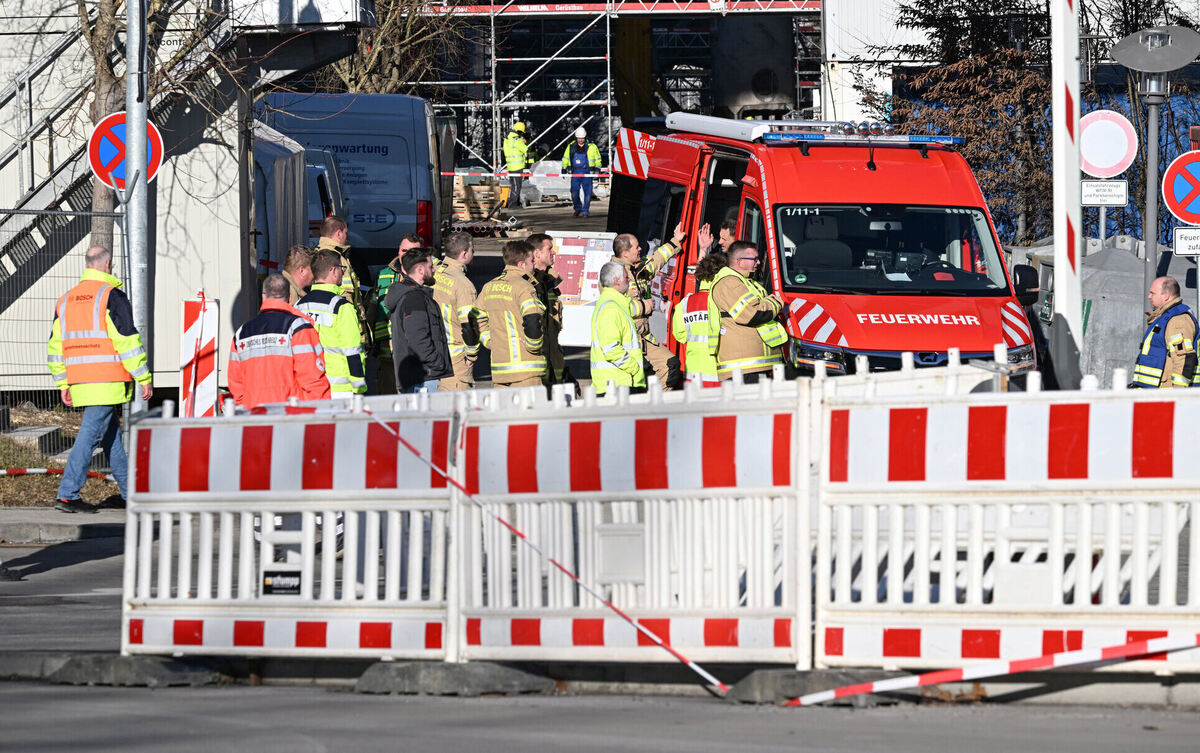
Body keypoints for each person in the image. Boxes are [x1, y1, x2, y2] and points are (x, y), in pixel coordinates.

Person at [47, 245, 153, 513]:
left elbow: (55, 346)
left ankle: (132, 495)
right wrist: (143, 376)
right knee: (88, 436)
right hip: (107, 381)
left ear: (87, 264)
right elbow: (127, 340)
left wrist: (63, 383)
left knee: (110, 439)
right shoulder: (111, 296)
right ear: (108, 265)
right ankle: (68, 493)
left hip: (80, 381)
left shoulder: (66, 299)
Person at [229, 274, 331, 409]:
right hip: (289, 417)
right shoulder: (299, 328)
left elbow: (237, 387)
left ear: (263, 296)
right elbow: (313, 381)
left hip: (253, 417)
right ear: (289, 297)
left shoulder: (242, 333)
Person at [611, 225, 684, 388]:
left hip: (644, 338)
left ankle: (656, 409)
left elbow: (657, 260)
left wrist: (675, 241)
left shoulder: (636, 269)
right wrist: (645, 306)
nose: (640, 249)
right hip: (627, 342)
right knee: (633, 385)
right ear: (625, 253)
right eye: (636, 247)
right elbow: (614, 309)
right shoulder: (613, 275)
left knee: (670, 365)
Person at [711, 241, 788, 383]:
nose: (758, 262)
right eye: (754, 259)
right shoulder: (729, 283)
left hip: (755, 367)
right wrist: (776, 302)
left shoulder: (746, 282)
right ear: (740, 262)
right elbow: (752, 314)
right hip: (744, 369)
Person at [475, 240, 546, 387]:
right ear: (521, 264)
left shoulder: (488, 287)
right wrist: (534, 346)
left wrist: (489, 341)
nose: (534, 266)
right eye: (531, 261)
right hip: (526, 372)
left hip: (500, 371)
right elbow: (532, 319)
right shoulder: (524, 287)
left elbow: (475, 318)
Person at [297, 250, 368, 395]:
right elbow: (352, 351)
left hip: (308, 389)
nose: (342, 273)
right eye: (342, 269)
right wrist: (359, 387)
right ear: (333, 270)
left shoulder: (299, 306)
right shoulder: (342, 308)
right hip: (340, 390)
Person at [385, 247, 453, 393]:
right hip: (422, 380)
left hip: (418, 377)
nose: (434, 270)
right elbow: (418, 339)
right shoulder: (414, 298)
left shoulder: (410, 295)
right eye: (430, 266)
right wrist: (438, 363)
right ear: (421, 270)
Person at [372, 233, 424, 393]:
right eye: (404, 250)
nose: (406, 255)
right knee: (387, 401)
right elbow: (374, 309)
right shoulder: (383, 274)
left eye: (412, 252)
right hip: (388, 352)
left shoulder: (428, 276)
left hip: (416, 355)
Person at [432, 232, 481, 391]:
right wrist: (472, 355)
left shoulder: (433, 272)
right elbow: (469, 324)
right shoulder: (464, 285)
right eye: (472, 250)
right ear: (464, 253)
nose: (473, 254)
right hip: (455, 359)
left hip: (432, 351)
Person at [671, 250, 726, 388]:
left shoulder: (685, 303)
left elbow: (680, 335)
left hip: (693, 374)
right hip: (721, 374)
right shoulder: (725, 302)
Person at [1132, 275, 1199, 388]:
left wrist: (1178, 395)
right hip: (1155, 393)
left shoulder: (1177, 320)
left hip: (1167, 395)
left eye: (1152, 293)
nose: (1149, 296)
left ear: (1166, 296)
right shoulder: (1165, 317)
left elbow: (1183, 358)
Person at [316, 215, 371, 351]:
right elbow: (347, 298)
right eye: (346, 232)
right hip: (343, 332)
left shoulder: (319, 255)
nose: (347, 236)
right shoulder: (336, 259)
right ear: (339, 233)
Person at [590, 261, 645, 395]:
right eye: (626, 277)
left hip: (617, 382)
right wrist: (635, 369)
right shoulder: (611, 308)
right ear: (616, 281)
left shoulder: (613, 304)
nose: (630, 279)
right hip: (618, 384)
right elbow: (611, 349)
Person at [529, 232, 566, 385]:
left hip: (553, 366)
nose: (554, 252)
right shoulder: (527, 285)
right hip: (535, 368)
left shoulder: (549, 281)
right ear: (536, 254)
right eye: (549, 249)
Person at [562, 126, 602, 217]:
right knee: (574, 192)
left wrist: (597, 169)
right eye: (579, 138)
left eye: (582, 138)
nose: (580, 140)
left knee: (587, 193)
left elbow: (598, 159)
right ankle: (577, 209)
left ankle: (585, 211)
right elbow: (565, 158)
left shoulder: (592, 146)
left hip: (587, 173)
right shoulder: (571, 146)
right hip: (575, 172)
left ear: (585, 137)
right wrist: (564, 168)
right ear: (576, 138)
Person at [503, 122, 532, 209]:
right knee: (516, 186)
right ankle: (513, 205)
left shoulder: (508, 138)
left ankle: (516, 203)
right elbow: (524, 149)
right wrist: (523, 142)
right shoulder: (516, 139)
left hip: (511, 166)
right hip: (517, 166)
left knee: (515, 185)